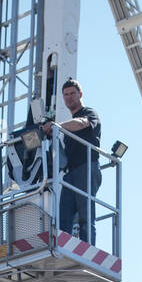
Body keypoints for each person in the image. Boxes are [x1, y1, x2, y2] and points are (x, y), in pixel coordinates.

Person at [43, 79, 102, 246]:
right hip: (71, 173)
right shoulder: (66, 127)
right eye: (66, 95)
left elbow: (83, 123)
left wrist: (57, 126)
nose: (69, 98)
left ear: (80, 94)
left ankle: (89, 248)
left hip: (87, 168)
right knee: (64, 216)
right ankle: (64, 247)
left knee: (85, 214)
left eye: (72, 94)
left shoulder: (89, 112)